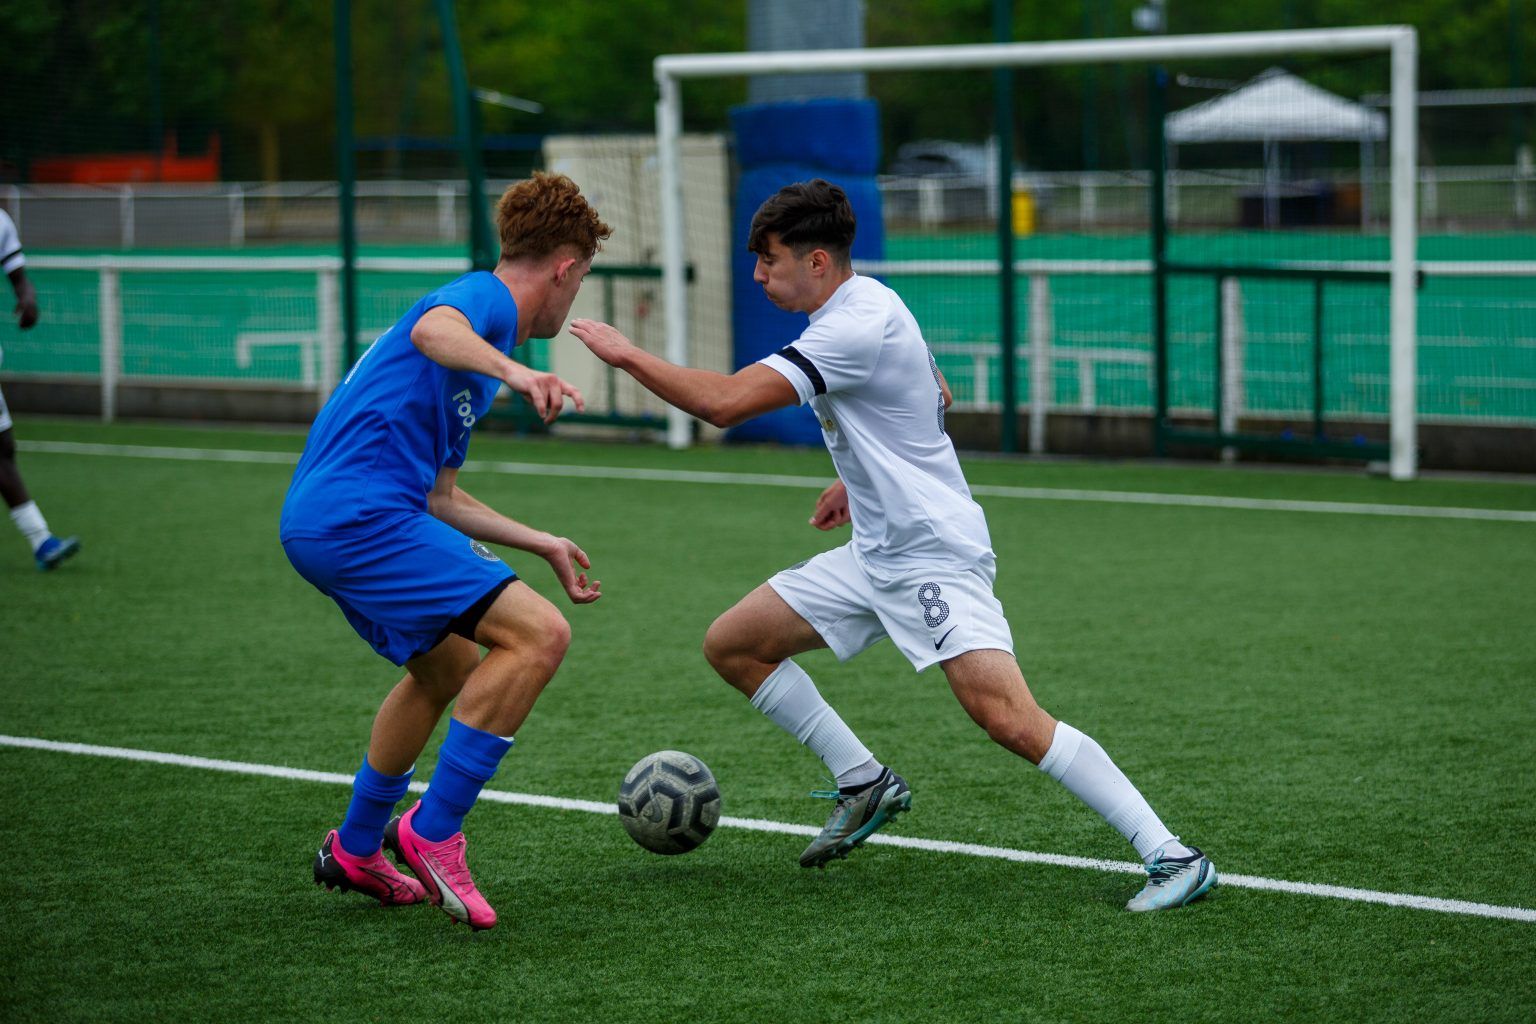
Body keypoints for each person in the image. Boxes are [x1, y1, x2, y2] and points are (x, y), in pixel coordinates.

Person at [570, 179, 1216, 912]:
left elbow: (723, 404)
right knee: (734, 645)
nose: (758, 276)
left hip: (932, 554)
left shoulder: (849, 325)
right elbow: (932, 393)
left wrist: (624, 355)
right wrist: (863, 481)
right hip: (876, 549)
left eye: (769, 261)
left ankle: (1173, 855)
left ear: (817, 261)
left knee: (1006, 717)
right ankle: (863, 780)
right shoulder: (865, 302)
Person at [282, 173, 609, 931]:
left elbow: (440, 497)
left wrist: (542, 542)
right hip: (357, 516)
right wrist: (520, 369)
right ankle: (433, 832)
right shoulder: (487, 305)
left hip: (337, 517)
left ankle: (358, 846)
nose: (573, 296)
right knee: (541, 634)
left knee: (450, 667)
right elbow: (434, 328)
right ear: (564, 267)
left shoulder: (477, 351)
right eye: (582, 278)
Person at [0, 208, 80, 571]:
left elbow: (17, 273)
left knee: (3, 449)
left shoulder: (0, 221)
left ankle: (41, 540)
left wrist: (27, 297)